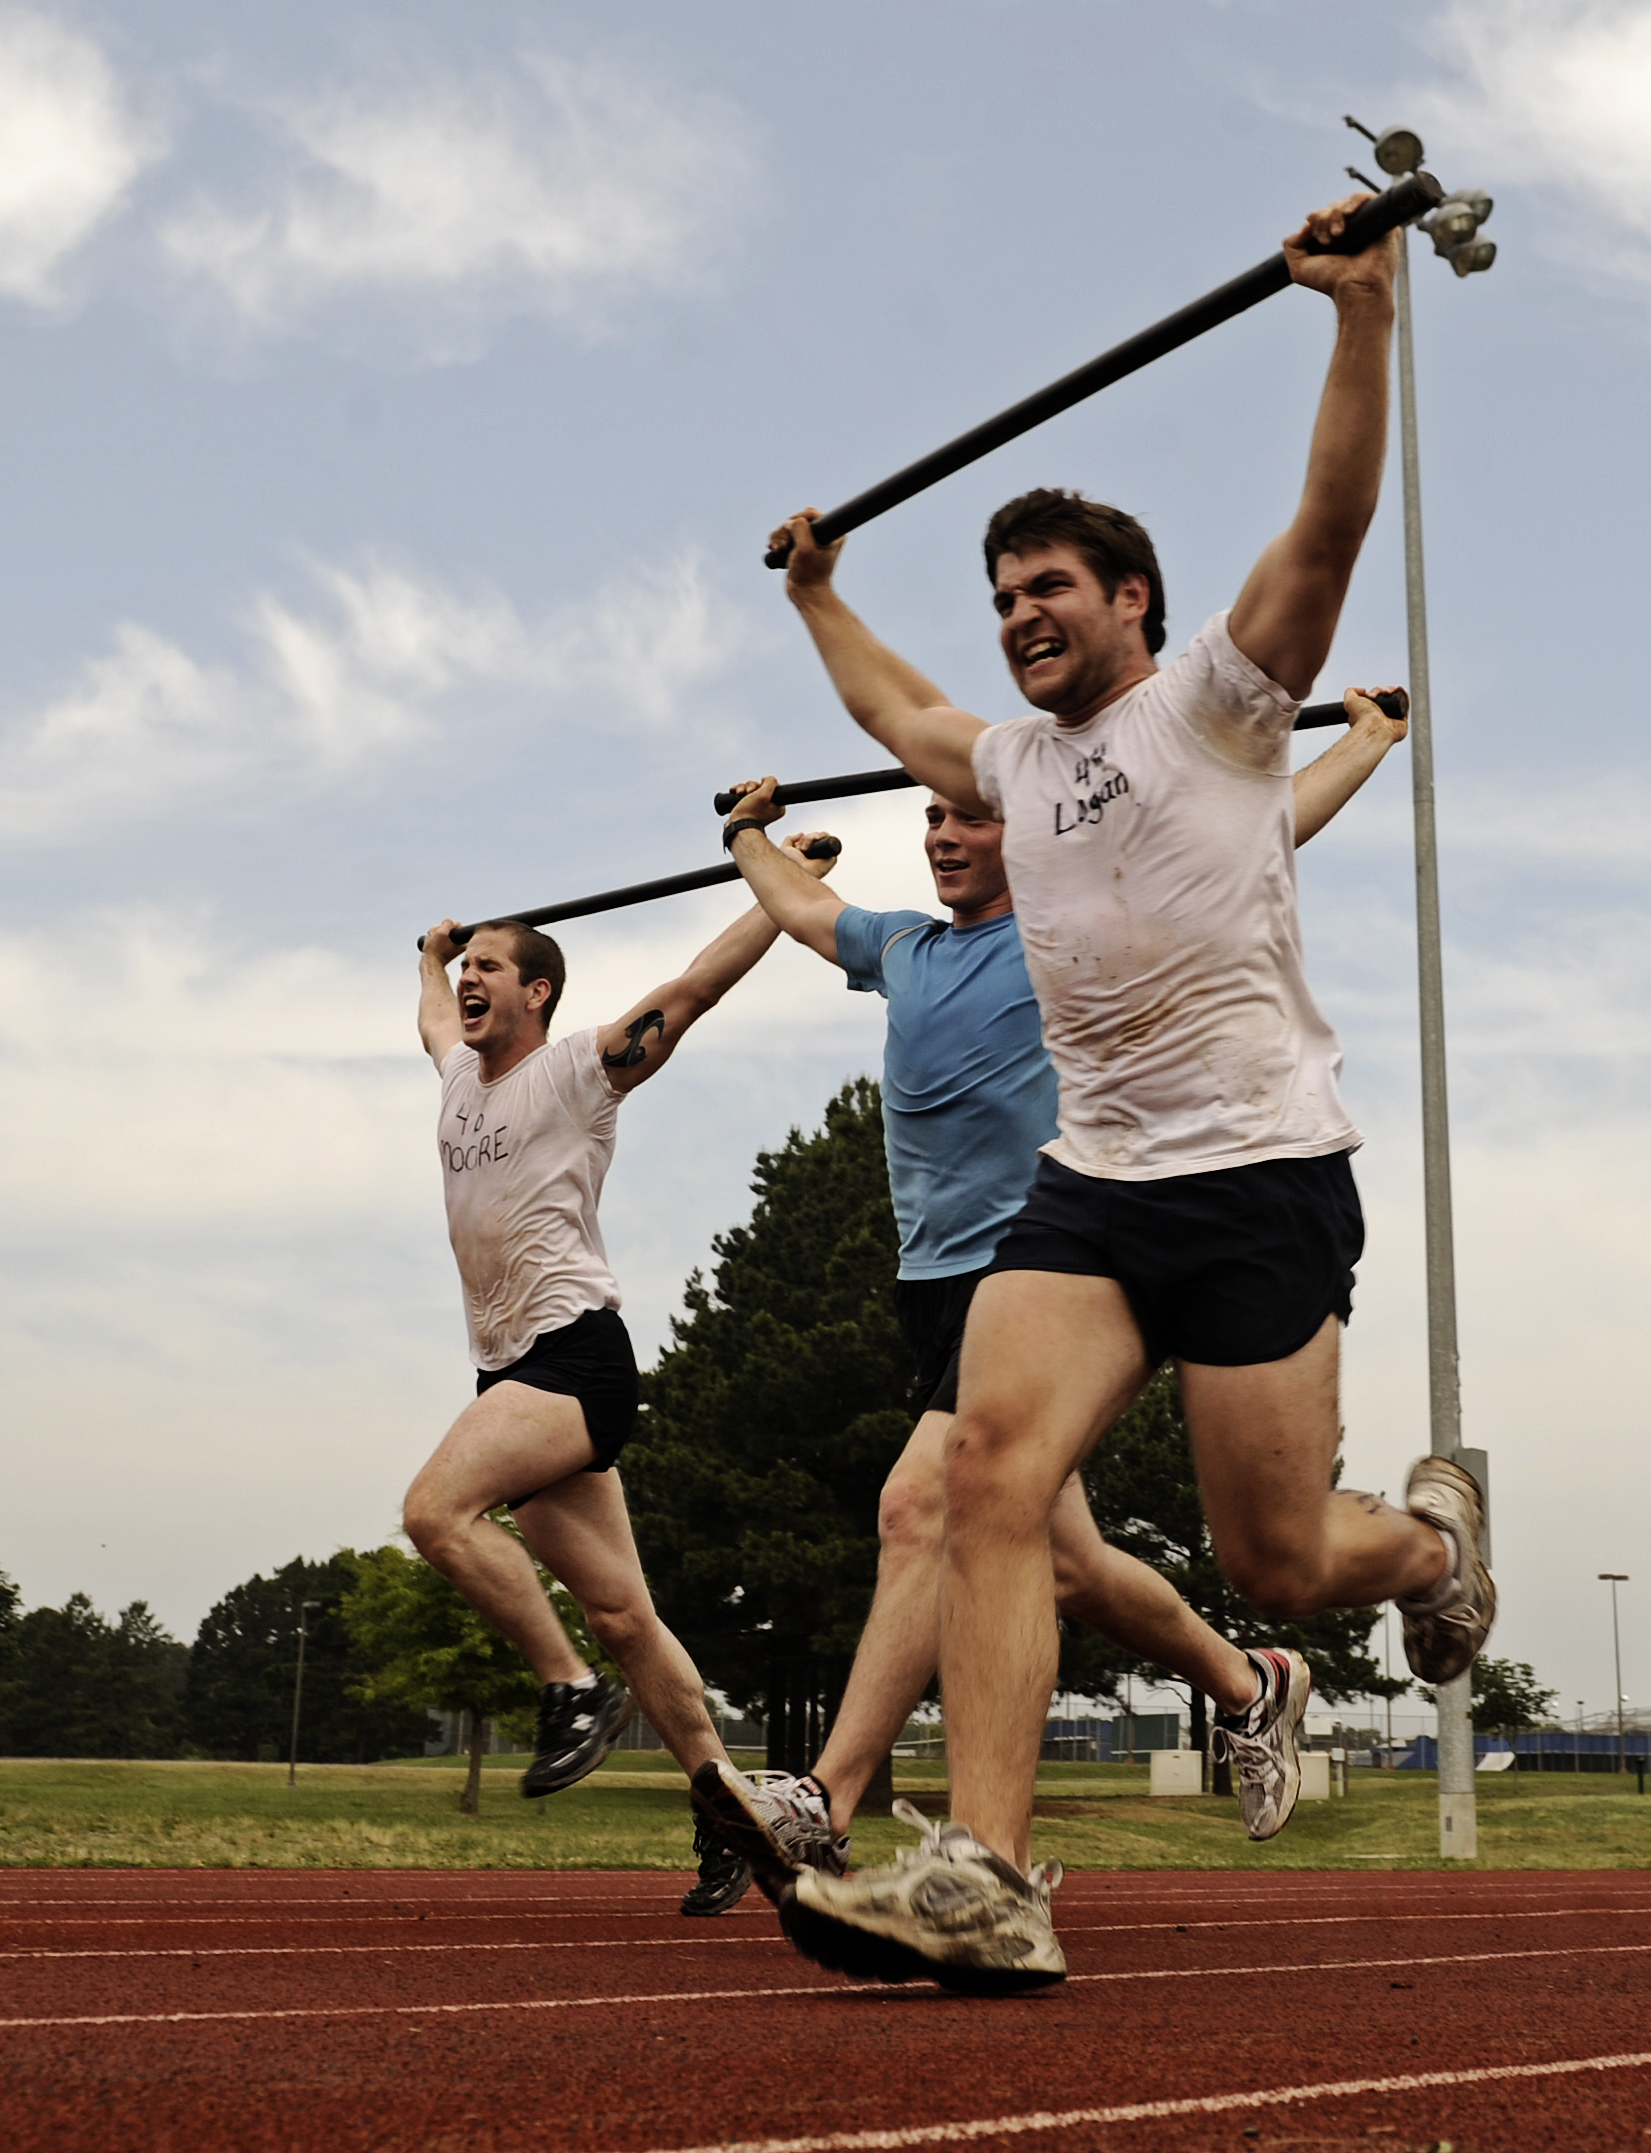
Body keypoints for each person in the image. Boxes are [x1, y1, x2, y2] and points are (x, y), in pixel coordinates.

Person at [759, 191, 1494, 1992]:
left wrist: (1361, 320)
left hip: (1259, 1173)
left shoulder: (1226, 708)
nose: (1021, 618)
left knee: (1284, 1558)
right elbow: (901, 716)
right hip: (1092, 1187)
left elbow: (1326, 528)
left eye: (1051, 590)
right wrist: (817, 591)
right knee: (989, 1473)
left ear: (1132, 602)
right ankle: (987, 1870)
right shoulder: (1007, 762)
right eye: (1003, 597)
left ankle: (1434, 1537)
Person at [686, 698, 1409, 1900]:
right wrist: (752, 839)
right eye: (930, 816)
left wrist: (1363, 746)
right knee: (1056, 1565)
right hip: (928, 1286)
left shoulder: (1076, 928)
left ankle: (824, 1798)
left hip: (1043, 1273)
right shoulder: (904, 949)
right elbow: (803, 910)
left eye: (969, 814)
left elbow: (1262, 834)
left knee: (921, 1511)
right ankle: (1250, 1682)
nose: (942, 834)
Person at [410, 881, 826, 1914]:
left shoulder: (579, 1069)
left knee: (434, 1513)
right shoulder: (458, 1072)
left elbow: (691, 991)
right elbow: (429, 1009)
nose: (469, 981)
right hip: (509, 1366)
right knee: (626, 1616)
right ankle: (731, 1813)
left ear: (538, 992)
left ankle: (570, 1689)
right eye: (467, 971)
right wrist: (431, 955)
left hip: (573, 1358)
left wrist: (783, 890)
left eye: (488, 968)